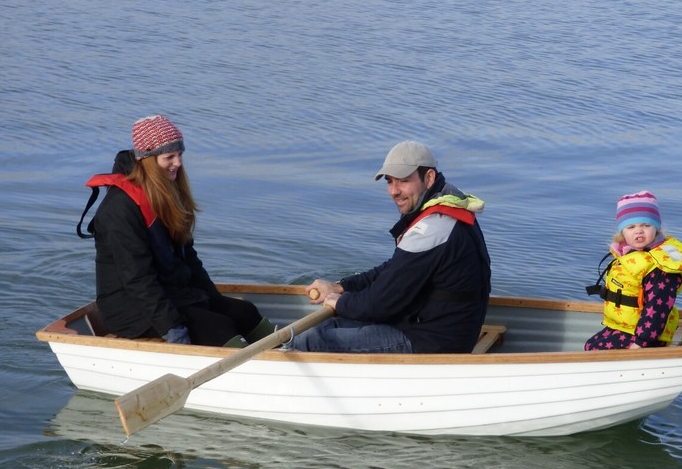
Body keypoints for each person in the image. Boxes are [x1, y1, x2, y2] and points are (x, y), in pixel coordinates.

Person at [77, 115, 273, 347]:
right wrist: (172, 327)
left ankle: (284, 354)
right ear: (147, 160)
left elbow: (188, 257)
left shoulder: (166, 191)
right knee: (218, 327)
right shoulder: (120, 210)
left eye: (179, 155)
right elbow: (138, 279)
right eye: (169, 157)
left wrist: (213, 299)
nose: (178, 163)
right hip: (130, 307)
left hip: (173, 294)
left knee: (244, 312)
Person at [289, 140, 491, 354]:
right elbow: (392, 271)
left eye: (403, 181)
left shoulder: (434, 227)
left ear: (429, 178)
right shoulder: (447, 209)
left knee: (312, 340)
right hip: (433, 327)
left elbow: (381, 303)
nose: (394, 191)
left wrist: (341, 303)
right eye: (389, 181)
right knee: (332, 326)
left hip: (432, 342)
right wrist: (341, 287)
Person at [584, 191, 682, 350]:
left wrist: (640, 343)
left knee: (595, 350)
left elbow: (657, 308)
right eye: (631, 227)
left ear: (656, 229)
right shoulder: (629, 256)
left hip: (648, 336)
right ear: (623, 232)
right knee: (590, 345)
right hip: (626, 327)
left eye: (646, 225)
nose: (639, 231)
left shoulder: (660, 267)